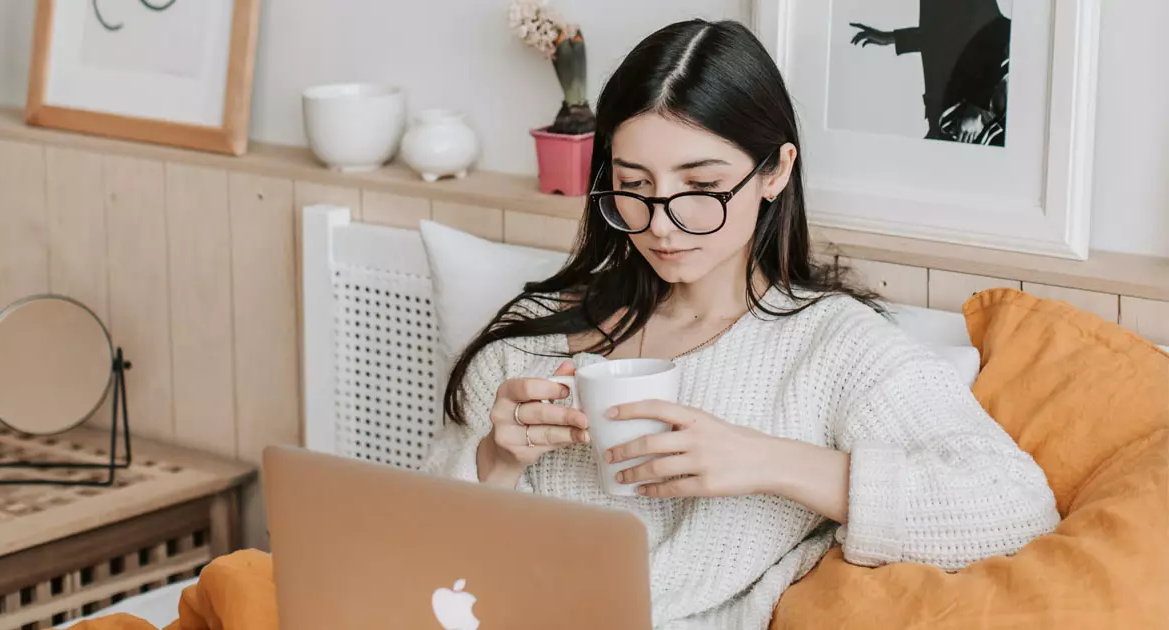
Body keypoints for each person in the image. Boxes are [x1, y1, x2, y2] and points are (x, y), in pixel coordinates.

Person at [422, 19, 1059, 629]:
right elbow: (421, 555)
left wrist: (766, 461)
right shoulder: (531, 338)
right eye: (633, 185)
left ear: (775, 172)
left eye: (701, 185)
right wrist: (495, 462)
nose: (662, 223)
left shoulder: (833, 348)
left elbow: (1015, 506)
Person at [849, 0, 1009, 143]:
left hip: (973, 122)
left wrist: (977, 109)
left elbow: (998, 30)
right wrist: (891, 38)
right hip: (948, 120)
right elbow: (944, 31)